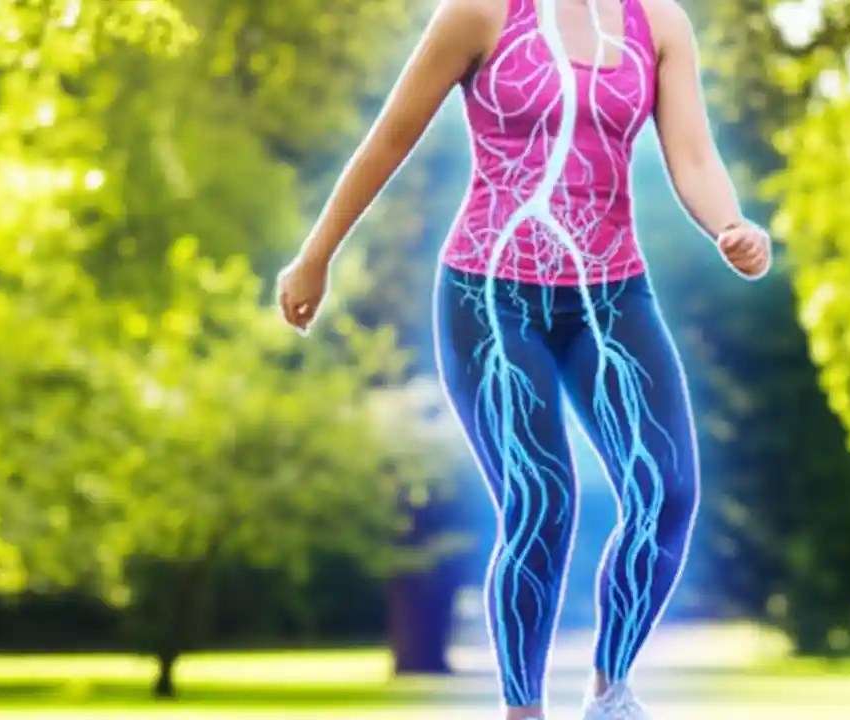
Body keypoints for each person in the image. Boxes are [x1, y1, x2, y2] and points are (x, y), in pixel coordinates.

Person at [276, 0, 770, 716]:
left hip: (611, 298)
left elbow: (692, 155)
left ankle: (610, 690)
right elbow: (390, 139)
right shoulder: (478, 13)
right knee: (542, 501)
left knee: (668, 491)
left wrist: (731, 226)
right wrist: (314, 256)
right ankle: (522, 709)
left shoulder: (658, 23)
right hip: (491, 297)